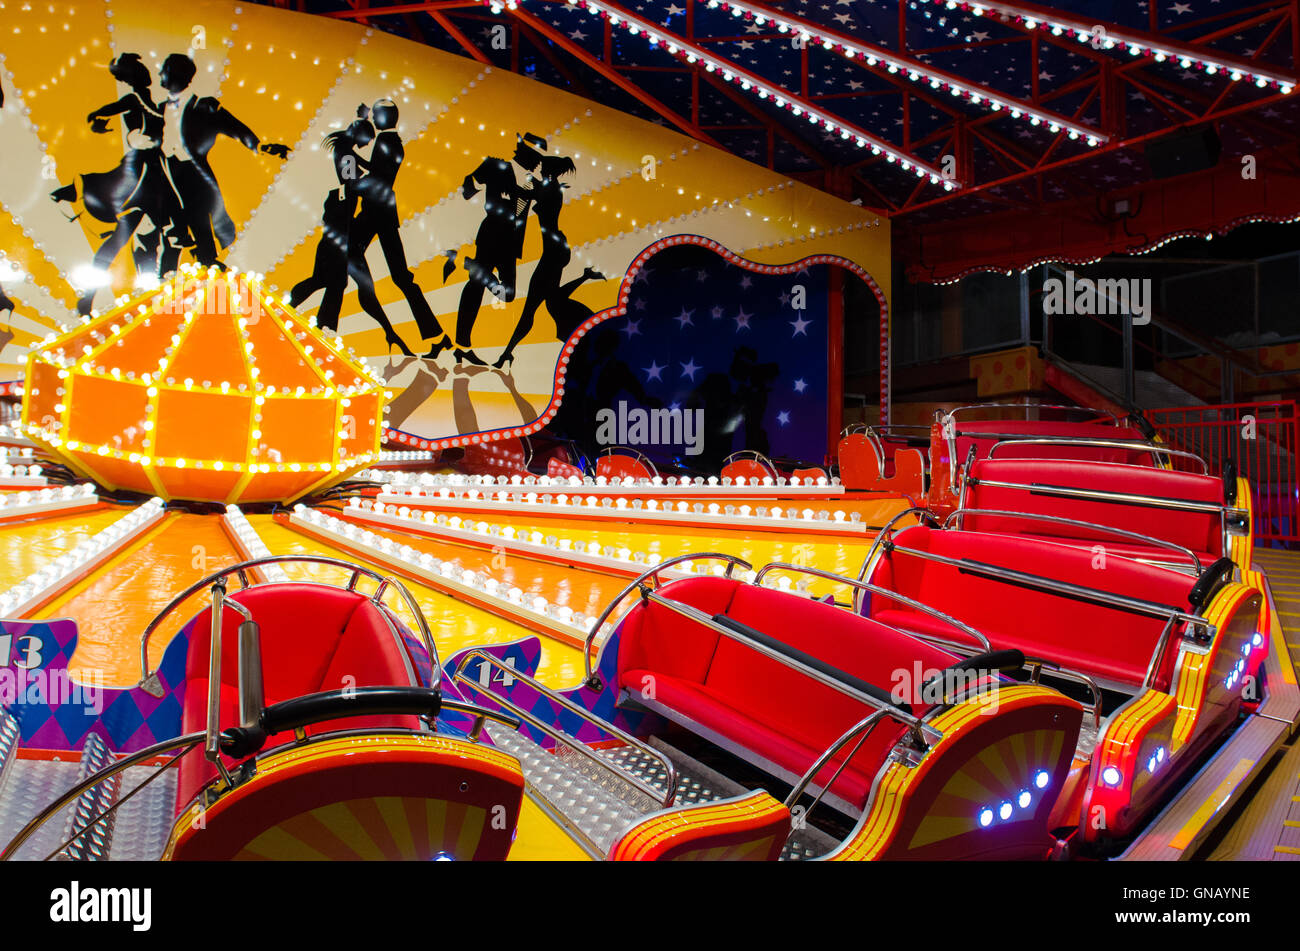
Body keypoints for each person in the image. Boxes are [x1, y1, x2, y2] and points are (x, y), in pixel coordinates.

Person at [49, 53, 183, 313]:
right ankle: (90, 296)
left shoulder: (157, 104)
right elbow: (105, 111)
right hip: (142, 174)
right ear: (134, 77)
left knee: (148, 238)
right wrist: (100, 121)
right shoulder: (134, 100)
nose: (146, 74)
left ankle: (147, 301)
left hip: (155, 171)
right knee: (135, 236)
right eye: (140, 70)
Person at [154, 53, 290, 275]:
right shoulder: (158, 109)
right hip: (165, 174)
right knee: (171, 227)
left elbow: (235, 127)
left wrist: (260, 146)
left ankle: (209, 264)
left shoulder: (204, 106)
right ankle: (165, 277)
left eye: (164, 70)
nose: (160, 74)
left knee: (200, 221)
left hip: (194, 173)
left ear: (174, 73)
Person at [289, 109, 411, 354]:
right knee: (335, 282)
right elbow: (350, 183)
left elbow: (356, 171)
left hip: (341, 224)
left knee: (328, 280)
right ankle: (323, 328)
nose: (367, 144)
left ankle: (311, 321)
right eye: (367, 140)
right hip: (339, 225)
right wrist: (376, 185)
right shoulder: (345, 155)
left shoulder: (347, 151)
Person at [341, 99, 439, 356]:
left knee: (353, 250)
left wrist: (354, 181)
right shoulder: (390, 141)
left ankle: (431, 333)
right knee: (400, 276)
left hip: (376, 211)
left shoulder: (387, 142)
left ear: (385, 117)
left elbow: (378, 177)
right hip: (380, 210)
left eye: (375, 115)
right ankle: (434, 333)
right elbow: (376, 170)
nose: (373, 119)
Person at [493, 146, 602, 370]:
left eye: (543, 167)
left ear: (548, 170)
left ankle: (507, 354)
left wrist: (506, 174)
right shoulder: (549, 188)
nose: (539, 168)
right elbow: (524, 193)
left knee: (533, 307)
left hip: (553, 251)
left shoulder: (549, 189)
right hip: (555, 249)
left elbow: (522, 193)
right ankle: (508, 353)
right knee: (552, 301)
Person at [450, 134, 542, 366]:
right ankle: (462, 345)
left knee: (507, 294)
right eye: (535, 156)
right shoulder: (496, 166)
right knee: (475, 286)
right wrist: (472, 187)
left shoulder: (531, 181)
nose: (538, 161)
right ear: (522, 152)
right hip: (491, 234)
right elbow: (469, 183)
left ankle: (472, 266)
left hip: (511, 242)